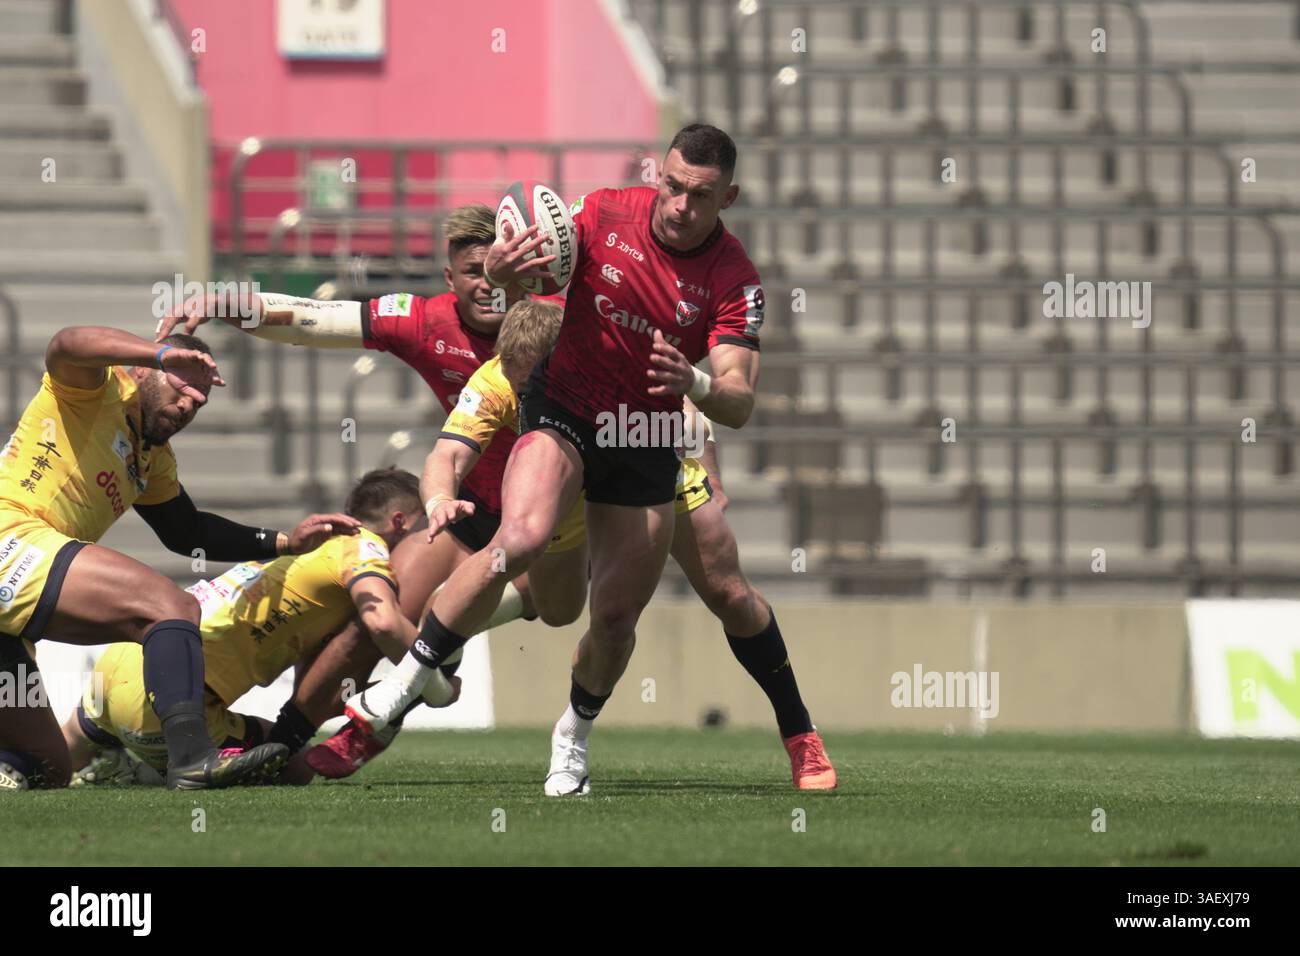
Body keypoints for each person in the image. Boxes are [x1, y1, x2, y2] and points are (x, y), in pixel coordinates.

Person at [0, 326, 353, 790]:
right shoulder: (95, 389)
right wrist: (163, 352)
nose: (189, 404)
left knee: (47, 768)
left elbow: (187, 532)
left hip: (16, 598)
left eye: (200, 400)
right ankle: (192, 758)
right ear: (148, 371)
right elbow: (65, 343)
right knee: (173, 608)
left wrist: (285, 542)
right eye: (183, 386)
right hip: (11, 543)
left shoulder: (152, 460)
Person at [60, 469, 457, 784]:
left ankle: (89, 763)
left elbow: (317, 681)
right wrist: (434, 681)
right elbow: (384, 622)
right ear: (401, 523)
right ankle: (143, 772)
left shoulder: (310, 550)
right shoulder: (363, 546)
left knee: (52, 766)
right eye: (426, 528)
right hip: (163, 708)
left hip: (120, 663)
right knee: (294, 766)